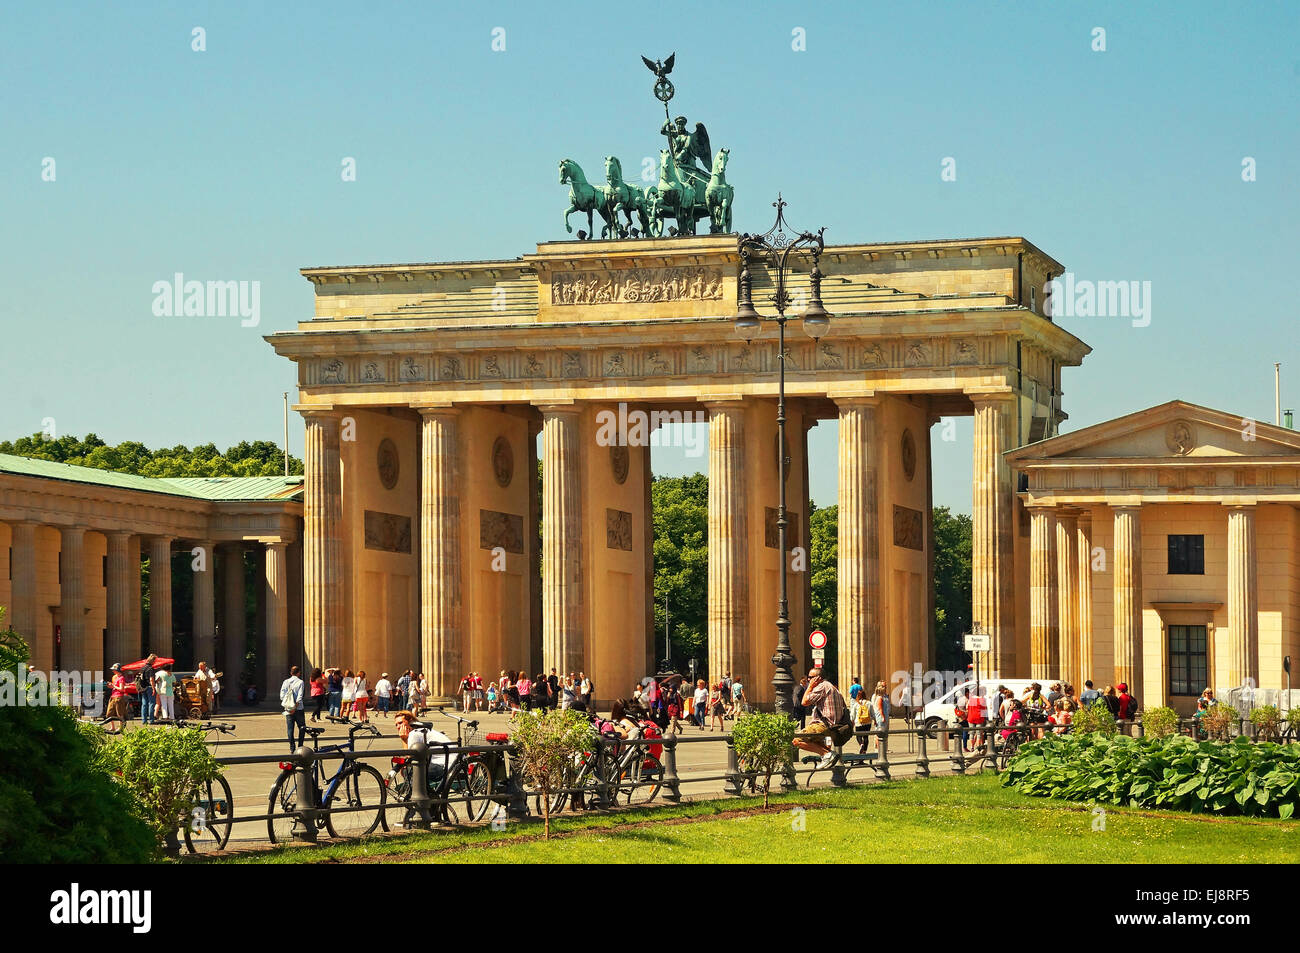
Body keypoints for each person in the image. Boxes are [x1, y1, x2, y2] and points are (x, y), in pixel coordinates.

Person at [792, 669, 848, 768]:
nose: (808, 679)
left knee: (796, 740)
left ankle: (827, 754)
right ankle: (829, 754)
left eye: (810, 677)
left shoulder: (822, 686)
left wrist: (810, 687)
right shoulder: (833, 688)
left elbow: (804, 702)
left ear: (818, 678)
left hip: (823, 724)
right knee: (815, 741)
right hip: (834, 726)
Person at [280, 665, 306, 753]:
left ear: (291, 673)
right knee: (302, 727)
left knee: (290, 729)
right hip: (299, 708)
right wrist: (295, 707)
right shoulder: (300, 682)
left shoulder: (285, 682)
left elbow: (282, 696)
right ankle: (300, 746)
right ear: (298, 673)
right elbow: (300, 697)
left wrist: (288, 706)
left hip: (288, 709)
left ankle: (292, 747)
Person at [869, 680, 891, 753]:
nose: (885, 688)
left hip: (886, 716)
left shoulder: (885, 696)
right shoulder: (875, 696)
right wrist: (874, 718)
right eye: (884, 686)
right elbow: (874, 708)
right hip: (879, 717)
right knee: (878, 733)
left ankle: (885, 748)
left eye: (885, 686)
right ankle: (878, 748)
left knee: (885, 732)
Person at [138, 654, 157, 725]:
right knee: (151, 703)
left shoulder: (142, 668)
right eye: (155, 660)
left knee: (144, 704)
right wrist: (153, 688)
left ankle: (144, 720)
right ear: (153, 661)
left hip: (143, 687)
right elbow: (151, 679)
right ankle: (151, 720)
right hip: (149, 687)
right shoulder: (150, 669)